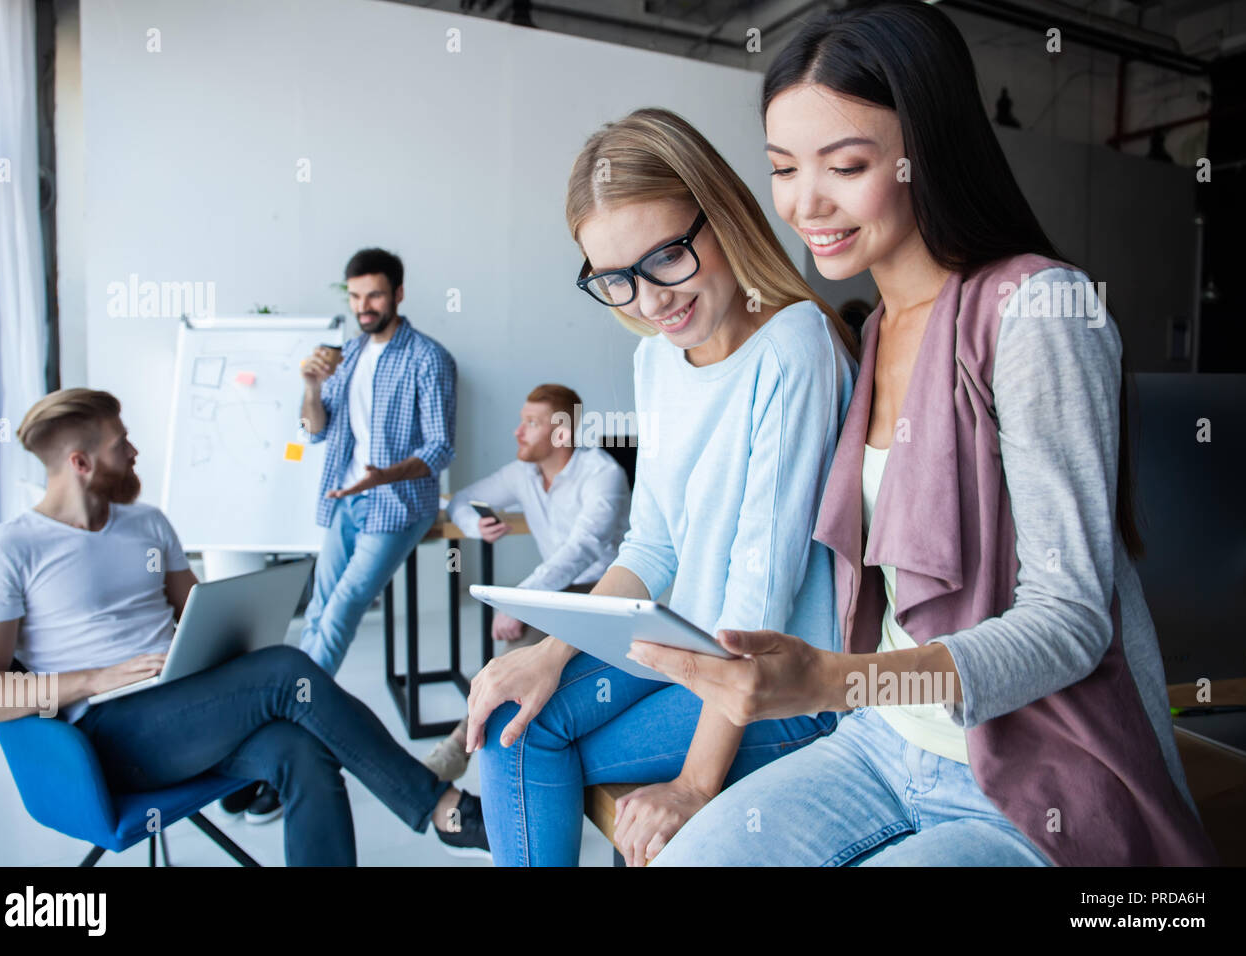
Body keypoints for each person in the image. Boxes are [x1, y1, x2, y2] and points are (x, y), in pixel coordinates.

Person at [638, 0, 1217, 867]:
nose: (805, 202)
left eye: (846, 165)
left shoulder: (1038, 310)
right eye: (784, 168)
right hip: (879, 743)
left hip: (1029, 775)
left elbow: (1070, 622)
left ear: (926, 151)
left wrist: (833, 680)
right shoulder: (876, 328)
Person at [466, 107, 859, 866]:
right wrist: (550, 652)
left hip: (784, 686)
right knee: (513, 719)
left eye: (667, 257)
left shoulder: (793, 345)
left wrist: (692, 785)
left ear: (723, 215)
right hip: (689, 650)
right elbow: (651, 546)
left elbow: (758, 596)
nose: (650, 303)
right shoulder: (655, 358)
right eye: (615, 280)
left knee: (525, 747)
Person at [0, 389, 487, 864]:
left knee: (300, 750)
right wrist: (93, 679)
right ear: (81, 462)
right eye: (122, 444)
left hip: (187, 709)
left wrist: (236, 629)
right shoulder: (9, 551)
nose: (135, 452)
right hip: (109, 737)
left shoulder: (148, 523)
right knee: (285, 671)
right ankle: (444, 809)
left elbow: (198, 614)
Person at [233, 248, 456, 821]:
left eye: (374, 295)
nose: (364, 306)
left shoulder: (429, 358)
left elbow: (439, 447)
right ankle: (287, 732)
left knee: (339, 612)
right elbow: (314, 429)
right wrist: (311, 385)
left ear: (398, 293)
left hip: (397, 504)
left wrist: (385, 475)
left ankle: (283, 732)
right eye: (355, 297)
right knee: (319, 611)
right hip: (345, 501)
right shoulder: (348, 354)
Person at [423, 383, 631, 780]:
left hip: (608, 590)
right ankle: (471, 748)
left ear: (562, 433)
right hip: (557, 590)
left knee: (516, 654)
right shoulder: (523, 473)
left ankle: (462, 748)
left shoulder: (602, 474)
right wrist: (475, 526)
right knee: (514, 656)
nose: (517, 432)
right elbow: (461, 500)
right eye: (522, 421)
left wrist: (518, 601)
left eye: (531, 423)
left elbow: (581, 550)